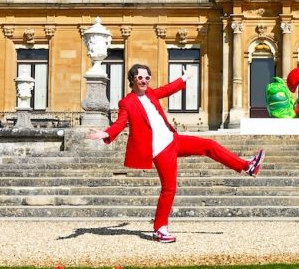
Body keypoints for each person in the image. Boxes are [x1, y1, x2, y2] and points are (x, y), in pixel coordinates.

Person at [88, 63, 264, 243]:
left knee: (209, 145)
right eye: (140, 77)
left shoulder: (151, 94)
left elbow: (168, 89)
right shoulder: (127, 102)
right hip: (160, 149)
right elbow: (120, 123)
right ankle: (159, 229)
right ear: (132, 79)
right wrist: (107, 133)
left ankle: (247, 166)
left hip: (173, 140)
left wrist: (185, 77)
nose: (144, 81)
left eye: (147, 78)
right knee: (169, 188)